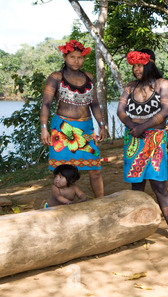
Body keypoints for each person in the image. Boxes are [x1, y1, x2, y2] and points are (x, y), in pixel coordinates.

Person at [117, 49, 168, 243]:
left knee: (159, 184)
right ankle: (137, 228)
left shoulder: (163, 85)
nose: (136, 69)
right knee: (136, 185)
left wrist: (143, 126)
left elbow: (166, 110)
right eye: (134, 66)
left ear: (150, 64)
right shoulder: (130, 87)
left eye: (140, 65)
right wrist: (132, 127)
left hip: (155, 139)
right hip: (134, 140)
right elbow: (121, 110)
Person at [40, 40, 105, 198]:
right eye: (72, 57)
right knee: (61, 172)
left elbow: (95, 104)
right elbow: (46, 104)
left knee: (95, 170)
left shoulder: (88, 77)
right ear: (65, 57)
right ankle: (60, 203)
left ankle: (102, 203)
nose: (76, 61)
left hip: (85, 129)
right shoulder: (55, 77)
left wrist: (102, 125)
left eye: (80, 57)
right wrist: (44, 128)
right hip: (62, 128)